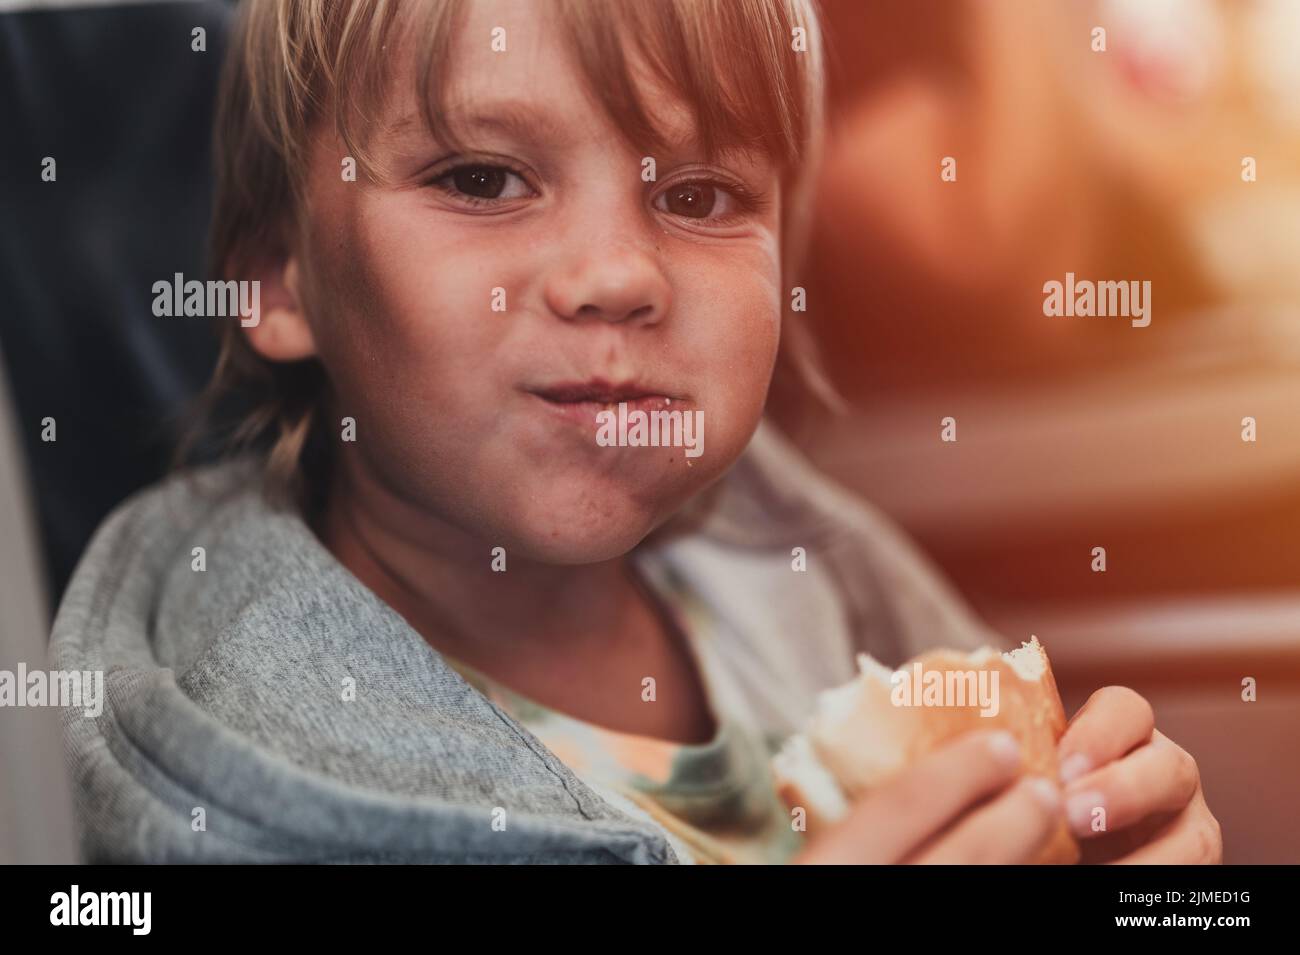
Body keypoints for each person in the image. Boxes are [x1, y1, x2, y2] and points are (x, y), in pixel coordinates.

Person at [49, 0, 1219, 864]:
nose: (615, 275)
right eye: (481, 179)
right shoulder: (267, 765)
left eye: (698, 197)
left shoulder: (798, 578)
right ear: (279, 277)